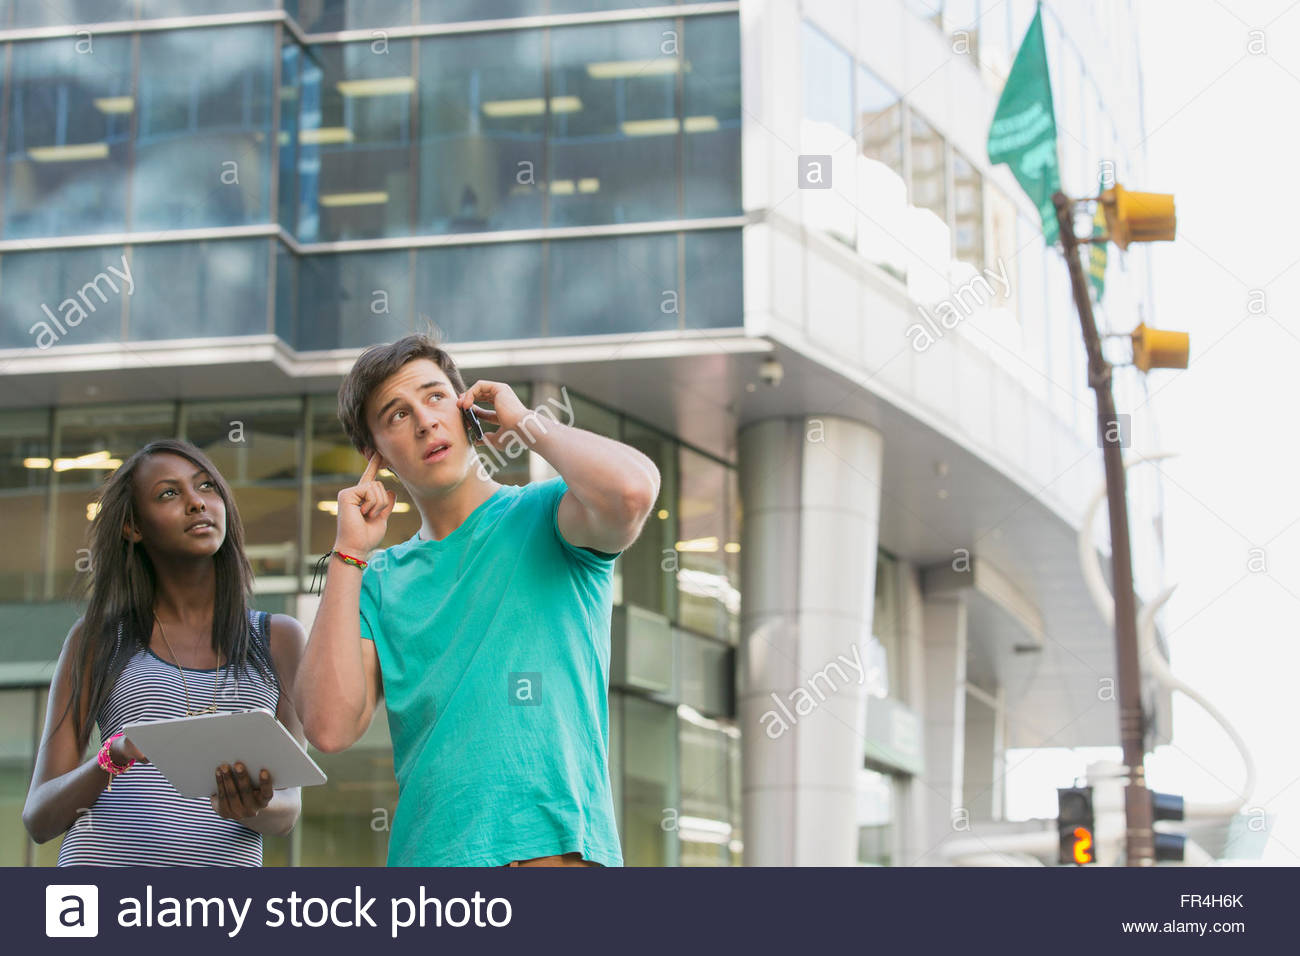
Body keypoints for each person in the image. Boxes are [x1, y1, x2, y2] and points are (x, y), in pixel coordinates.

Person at [295, 332, 659, 867]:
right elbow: (327, 727)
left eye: (436, 396)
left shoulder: (552, 515)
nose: (424, 421)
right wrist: (349, 552)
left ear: (468, 410)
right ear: (376, 456)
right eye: (397, 415)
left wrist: (525, 423)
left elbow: (632, 492)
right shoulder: (378, 580)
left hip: (557, 859)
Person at [22, 438, 308, 865]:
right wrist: (111, 756)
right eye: (169, 493)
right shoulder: (99, 638)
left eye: (206, 487)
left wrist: (252, 805)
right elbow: (39, 817)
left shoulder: (279, 639)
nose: (196, 503)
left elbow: (288, 809)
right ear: (133, 527)